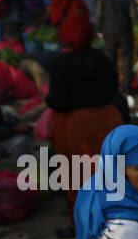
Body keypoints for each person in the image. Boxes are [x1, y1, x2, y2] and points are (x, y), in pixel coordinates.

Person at [46, 11, 125, 218]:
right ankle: (116, 216)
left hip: (75, 127)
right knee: (111, 171)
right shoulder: (102, 59)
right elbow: (114, 88)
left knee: (77, 176)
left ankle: (85, 221)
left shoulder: (61, 65)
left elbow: (57, 101)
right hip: (107, 121)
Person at [97, 0, 138, 95]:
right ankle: (126, 88)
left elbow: (99, 14)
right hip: (124, 31)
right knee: (126, 58)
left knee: (110, 59)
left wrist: (98, 29)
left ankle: (110, 86)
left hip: (108, 31)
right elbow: (134, 15)